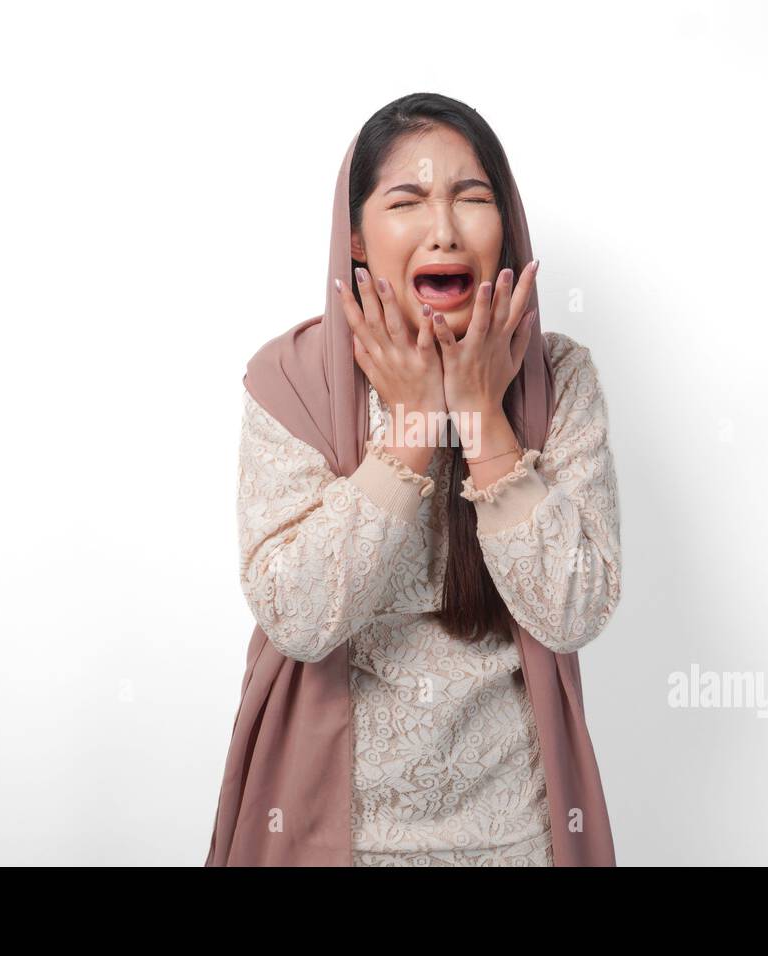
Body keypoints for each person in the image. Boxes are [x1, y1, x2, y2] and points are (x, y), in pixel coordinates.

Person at [206, 92, 622, 867]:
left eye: (473, 198)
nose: (445, 229)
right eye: (408, 201)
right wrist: (413, 430)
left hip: (516, 836)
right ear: (357, 238)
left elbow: (573, 611)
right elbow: (298, 617)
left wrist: (481, 414)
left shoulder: (559, 379)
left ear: (506, 227)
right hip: (330, 836)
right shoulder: (289, 381)